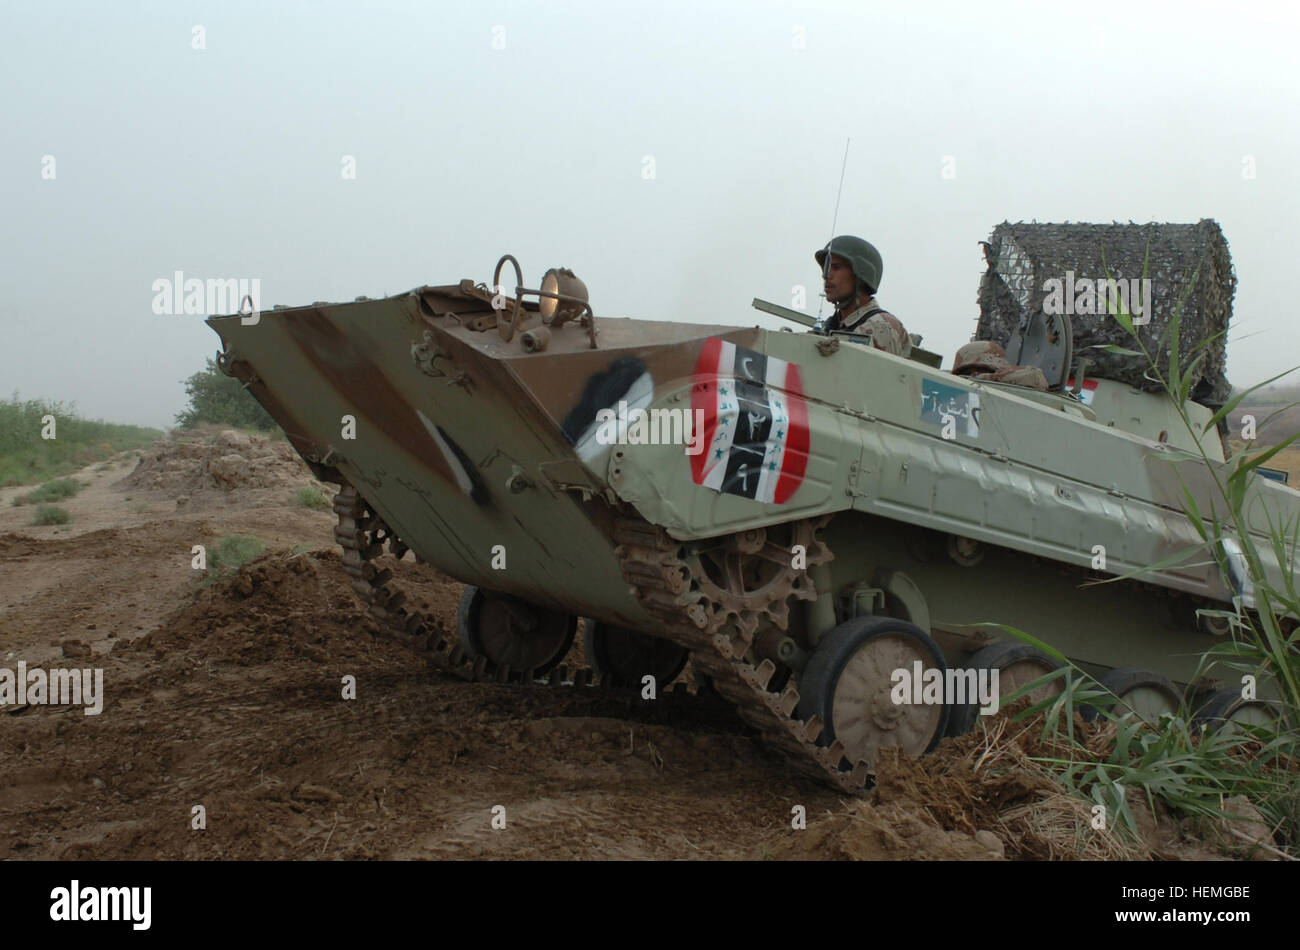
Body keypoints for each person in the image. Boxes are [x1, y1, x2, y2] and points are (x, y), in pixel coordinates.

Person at [815, 235, 911, 357]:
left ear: (860, 274)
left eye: (836, 267)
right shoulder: (833, 326)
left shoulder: (881, 327)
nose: (826, 275)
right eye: (825, 267)